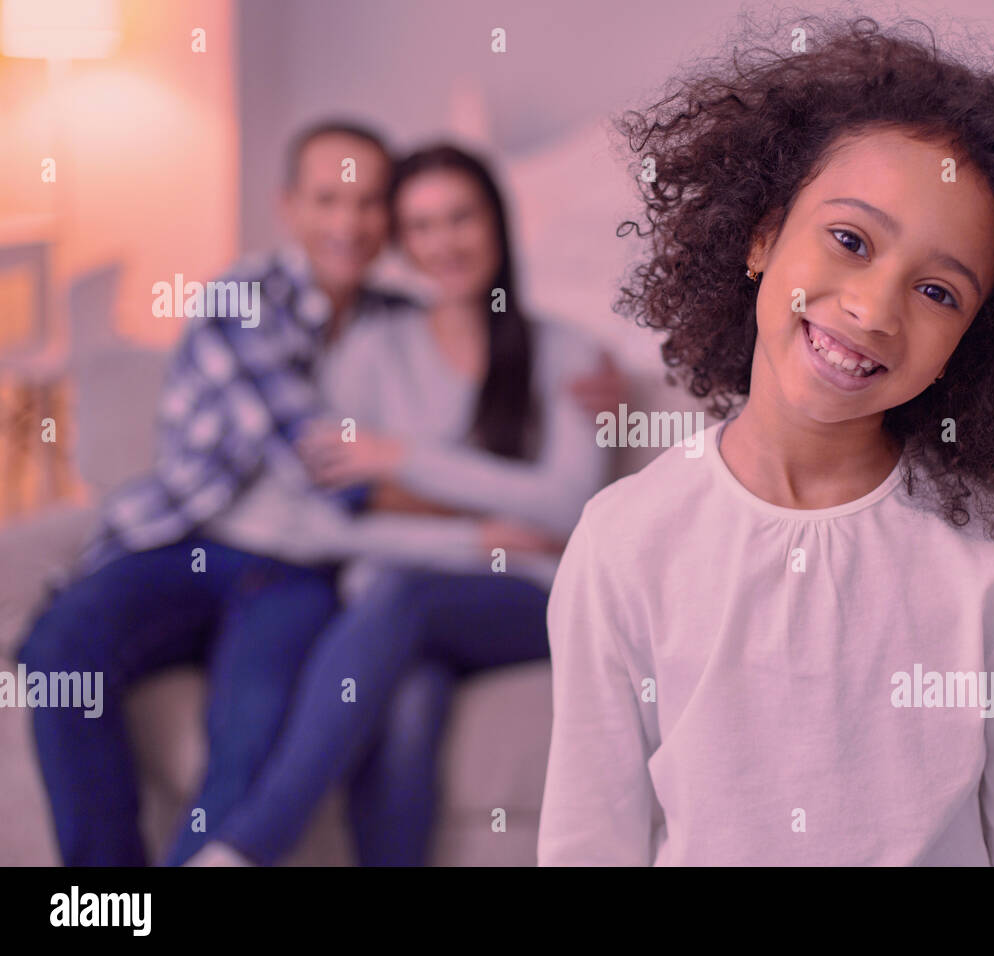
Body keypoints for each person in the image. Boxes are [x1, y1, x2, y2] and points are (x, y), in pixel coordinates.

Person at [538, 13, 994, 865]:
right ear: (763, 235)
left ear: (974, 341)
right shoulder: (624, 542)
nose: (872, 310)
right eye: (849, 240)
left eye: (939, 292)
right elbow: (590, 839)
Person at [189, 142, 618, 866]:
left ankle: (243, 848)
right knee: (409, 694)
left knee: (401, 600)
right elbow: (329, 520)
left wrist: (401, 456)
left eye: (462, 218)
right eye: (422, 226)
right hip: (408, 604)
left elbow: (570, 503)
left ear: (497, 223)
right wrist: (476, 540)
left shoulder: (567, 352)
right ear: (401, 241)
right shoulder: (370, 350)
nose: (445, 242)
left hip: (531, 599)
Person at [16, 119, 418, 866]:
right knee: (59, 650)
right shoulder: (245, 298)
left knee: (251, 731)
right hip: (187, 543)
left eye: (369, 203)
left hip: (300, 575)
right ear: (288, 207)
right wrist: (429, 487)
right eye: (327, 200)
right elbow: (324, 467)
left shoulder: (406, 327)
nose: (349, 223)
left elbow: (456, 423)